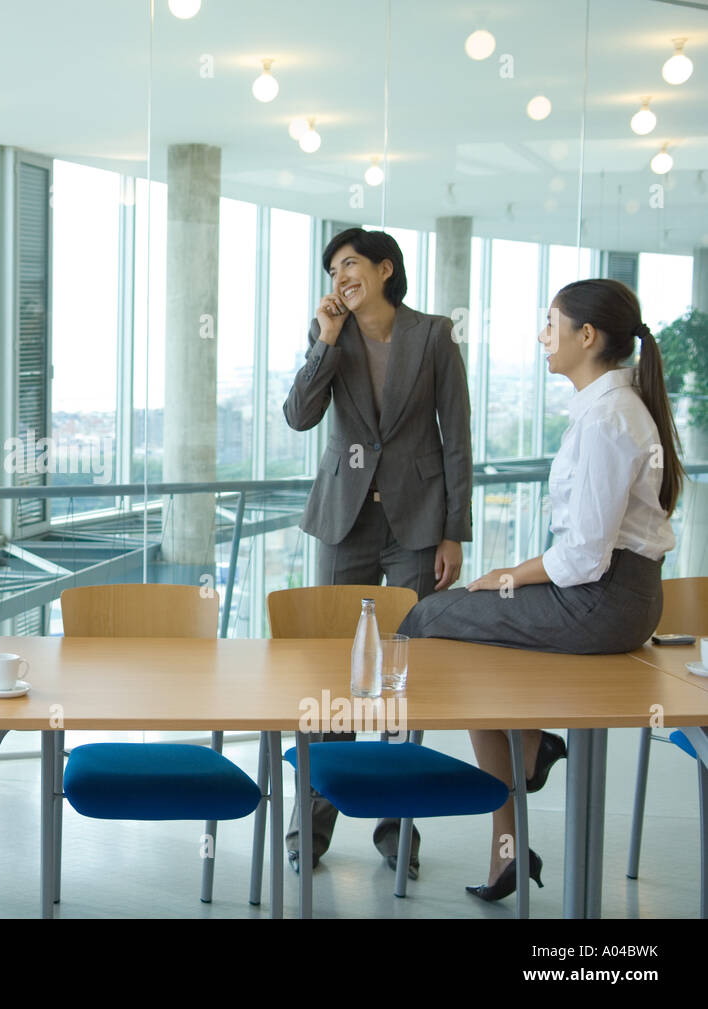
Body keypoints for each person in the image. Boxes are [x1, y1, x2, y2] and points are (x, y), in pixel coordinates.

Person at [399, 277, 682, 900]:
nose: (540, 336)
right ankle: (512, 825)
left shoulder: (608, 418)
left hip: (601, 601)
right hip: (613, 596)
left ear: (587, 336)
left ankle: (523, 752)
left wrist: (508, 576)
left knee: (429, 619)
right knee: (468, 635)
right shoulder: (608, 409)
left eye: (550, 324)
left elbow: (582, 556)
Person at [282, 228, 474, 876]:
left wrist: (455, 530)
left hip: (418, 522)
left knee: (403, 677)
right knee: (332, 674)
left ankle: (399, 836)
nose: (342, 276)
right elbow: (299, 414)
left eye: (352, 263)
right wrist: (325, 341)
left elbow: (457, 438)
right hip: (344, 517)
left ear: (385, 268)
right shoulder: (331, 336)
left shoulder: (435, 335)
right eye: (333, 268)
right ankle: (309, 829)